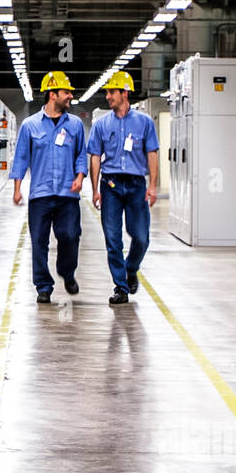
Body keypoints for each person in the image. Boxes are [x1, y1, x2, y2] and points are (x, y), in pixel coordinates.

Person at [9, 70, 87, 304]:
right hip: (40, 194)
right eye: (66, 92)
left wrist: (80, 177)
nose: (70, 96)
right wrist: (17, 188)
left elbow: (80, 154)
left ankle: (67, 271)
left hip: (67, 194)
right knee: (39, 241)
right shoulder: (30, 125)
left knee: (70, 235)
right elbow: (21, 158)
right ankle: (43, 286)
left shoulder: (75, 125)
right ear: (53, 94)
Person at [87, 71, 159, 305]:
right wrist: (95, 189)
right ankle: (121, 287)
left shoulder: (145, 122)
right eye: (107, 92)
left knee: (141, 237)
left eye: (112, 92)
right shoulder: (101, 124)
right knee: (113, 239)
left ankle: (131, 269)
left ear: (124, 93)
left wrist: (153, 185)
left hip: (137, 185)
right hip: (111, 185)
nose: (108, 96)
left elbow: (152, 153)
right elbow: (95, 156)